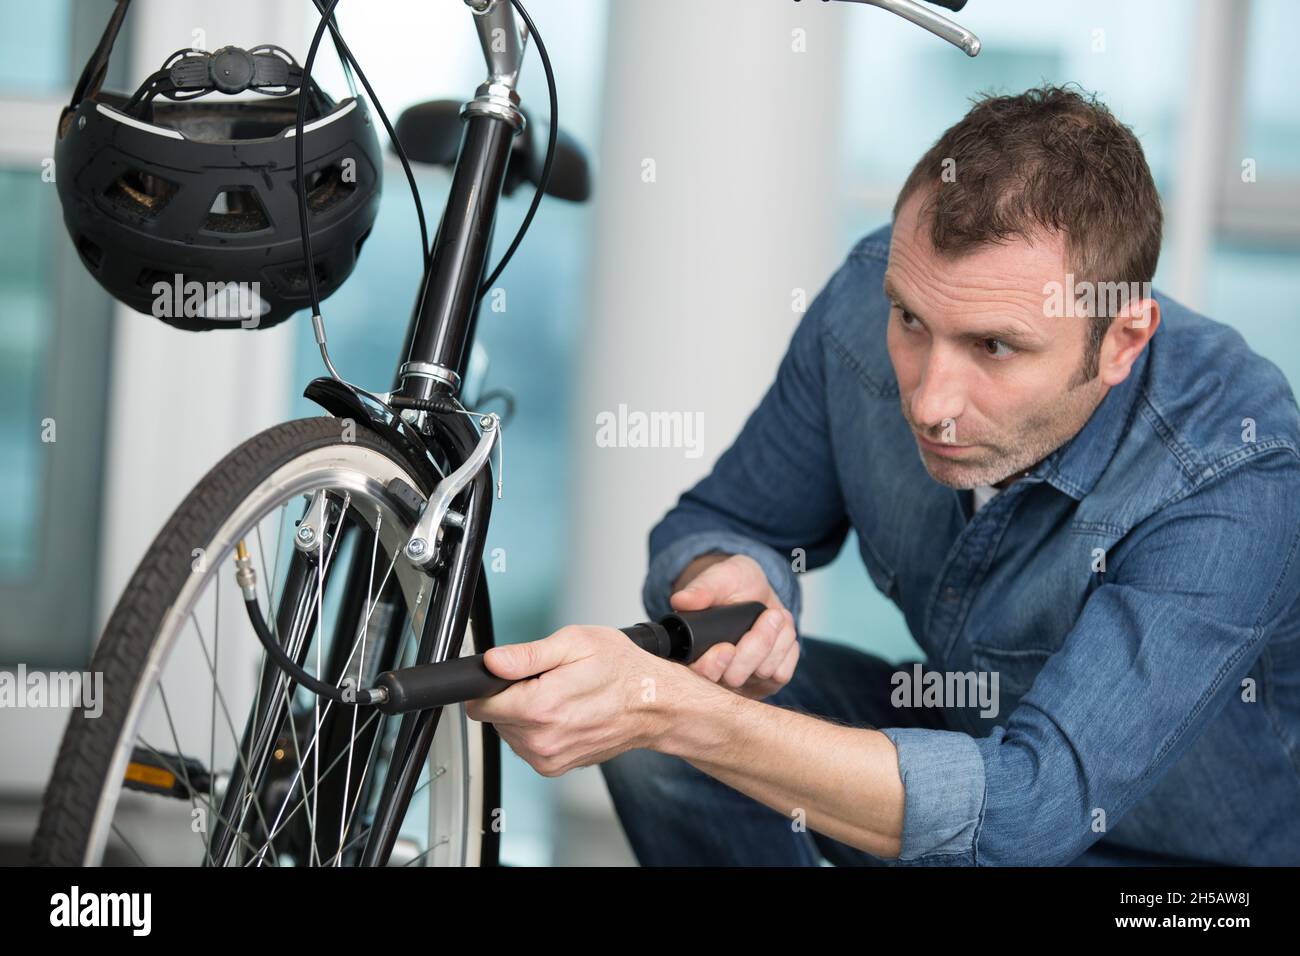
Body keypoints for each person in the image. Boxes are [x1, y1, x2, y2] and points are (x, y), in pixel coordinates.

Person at [465, 85, 1300, 865]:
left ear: (1119, 341)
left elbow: (1036, 808)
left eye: (994, 347)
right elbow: (728, 516)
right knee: (671, 727)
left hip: (1184, 873)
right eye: (912, 320)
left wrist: (671, 709)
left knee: (675, 714)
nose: (931, 403)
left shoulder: (1233, 466)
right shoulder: (870, 297)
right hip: (974, 736)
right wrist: (730, 574)